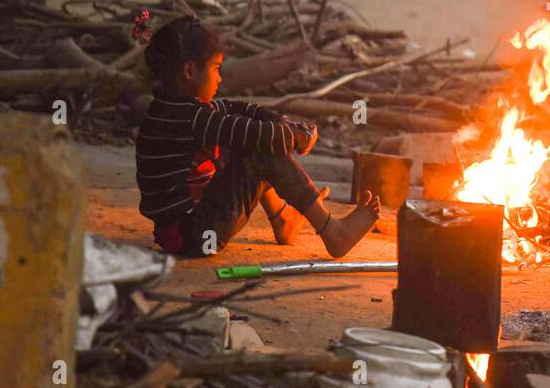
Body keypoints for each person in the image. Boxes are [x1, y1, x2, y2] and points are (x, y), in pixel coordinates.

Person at [135, 16, 379, 257]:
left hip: (181, 232)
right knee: (259, 149)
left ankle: (284, 218)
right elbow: (254, 132)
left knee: (250, 141)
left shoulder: (172, 109)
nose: (220, 78)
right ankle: (332, 232)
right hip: (195, 234)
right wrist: (295, 135)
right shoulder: (191, 118)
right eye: (216, 69)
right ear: (190, 70)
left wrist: (280, 121)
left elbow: (235, 109)